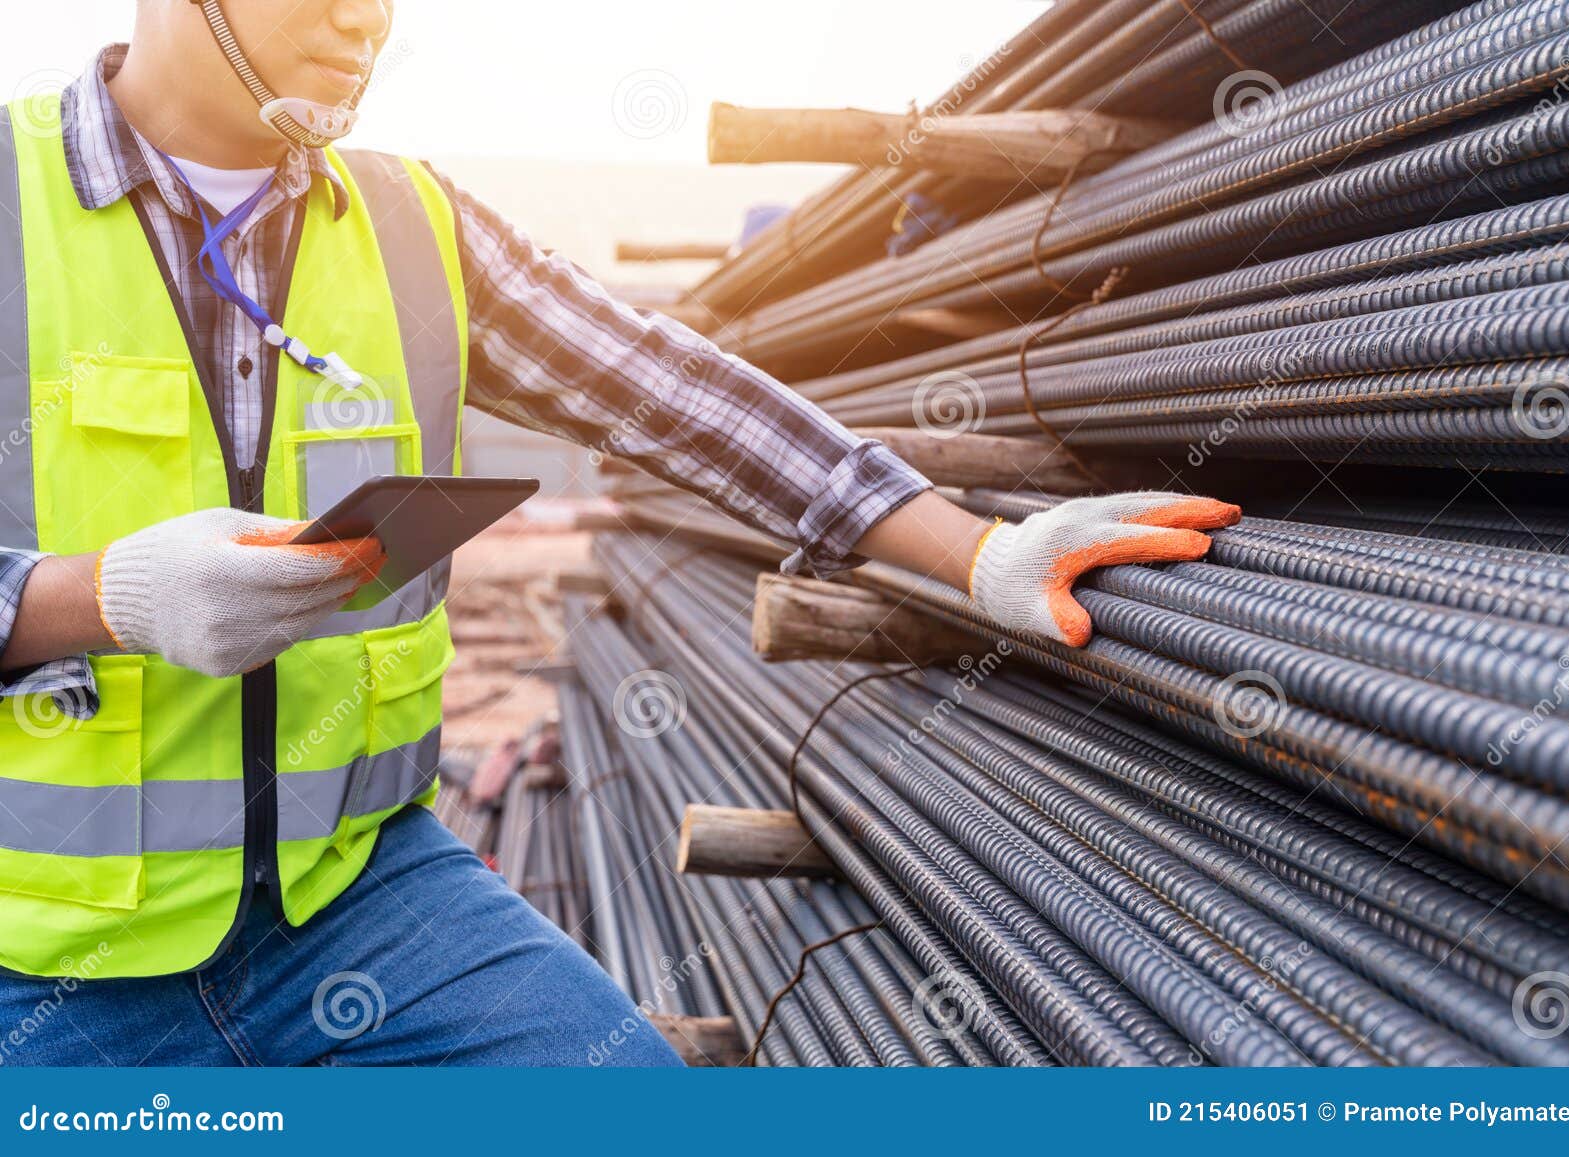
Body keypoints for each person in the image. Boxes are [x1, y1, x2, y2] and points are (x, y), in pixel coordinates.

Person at [0, 0, 1239, 1066]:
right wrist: (101, 597)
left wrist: (969, 550)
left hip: (354, 893)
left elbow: (675, 396)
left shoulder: (409, 224)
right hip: (47, 949)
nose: (363, 21)